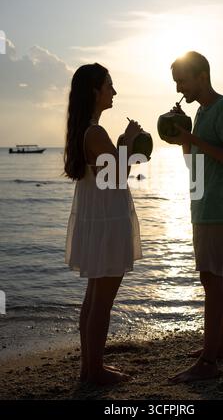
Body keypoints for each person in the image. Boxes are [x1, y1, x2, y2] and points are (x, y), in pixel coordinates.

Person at [168, 51, 223, 383]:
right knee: (219, 276)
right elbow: (194, 162)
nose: (178, 89)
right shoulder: (200, 113)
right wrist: (181, 134)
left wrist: (193, 138)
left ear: (202, 76)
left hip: (216, 207)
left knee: (210, 280)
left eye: (182, 81)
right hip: (204, 205)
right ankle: (221, 346)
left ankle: (208, 361)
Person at [64, 63, 143, 385]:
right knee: (102, 300)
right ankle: (94, 369)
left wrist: (124, 143)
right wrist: (130, 140)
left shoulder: (86, 129)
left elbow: (106, 174)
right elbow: (116, 177)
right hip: (107, 221)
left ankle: (89, 367)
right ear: (95, 91)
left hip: (97, 218)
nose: (114, 91)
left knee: (94, 296)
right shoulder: (95, 132)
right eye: (109, 85)